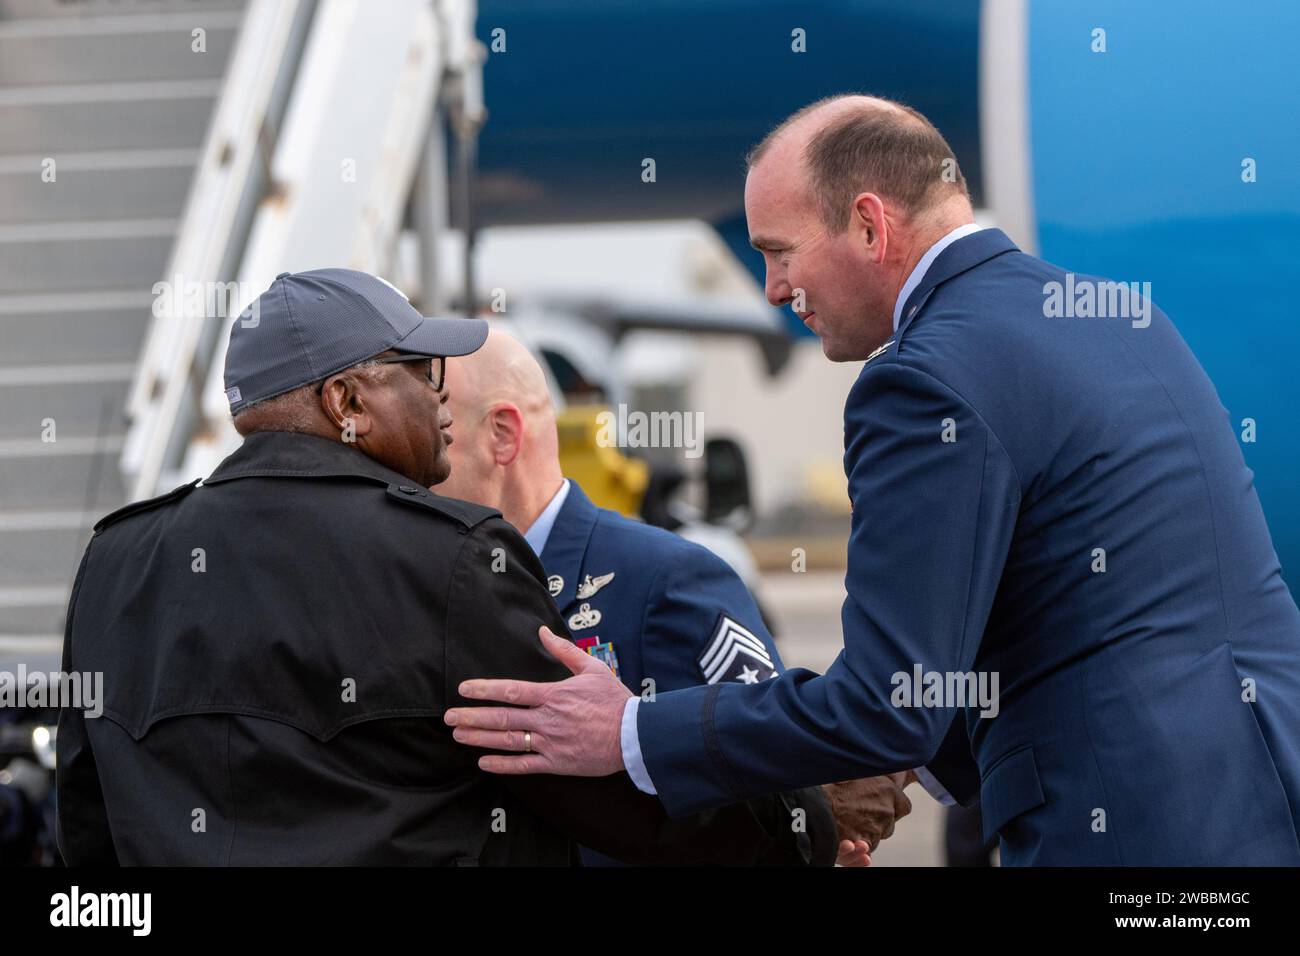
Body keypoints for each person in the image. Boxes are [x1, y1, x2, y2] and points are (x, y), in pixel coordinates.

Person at [444, 96, 1300, 865]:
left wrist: (628, 730)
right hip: (1264, 788)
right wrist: (886, 764)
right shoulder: (1121, 316)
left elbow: (889, 703)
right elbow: (1067, 614)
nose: (776, 290)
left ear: (867, 225)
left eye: (779, 254)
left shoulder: (922, 378)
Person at [55, 268, 837, 866]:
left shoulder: (115, 562)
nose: (439, 403)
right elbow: (609, 801)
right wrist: (804, 823)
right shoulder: (455, 557)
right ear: (346, 401)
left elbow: (86, 831)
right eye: (421, 374)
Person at [436, 328, 910, 866]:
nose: (414, 460)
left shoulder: (666, 580)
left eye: (438, 430)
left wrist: (818, 825)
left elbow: (776, 787)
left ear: (503, 434)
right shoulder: (445, 584)